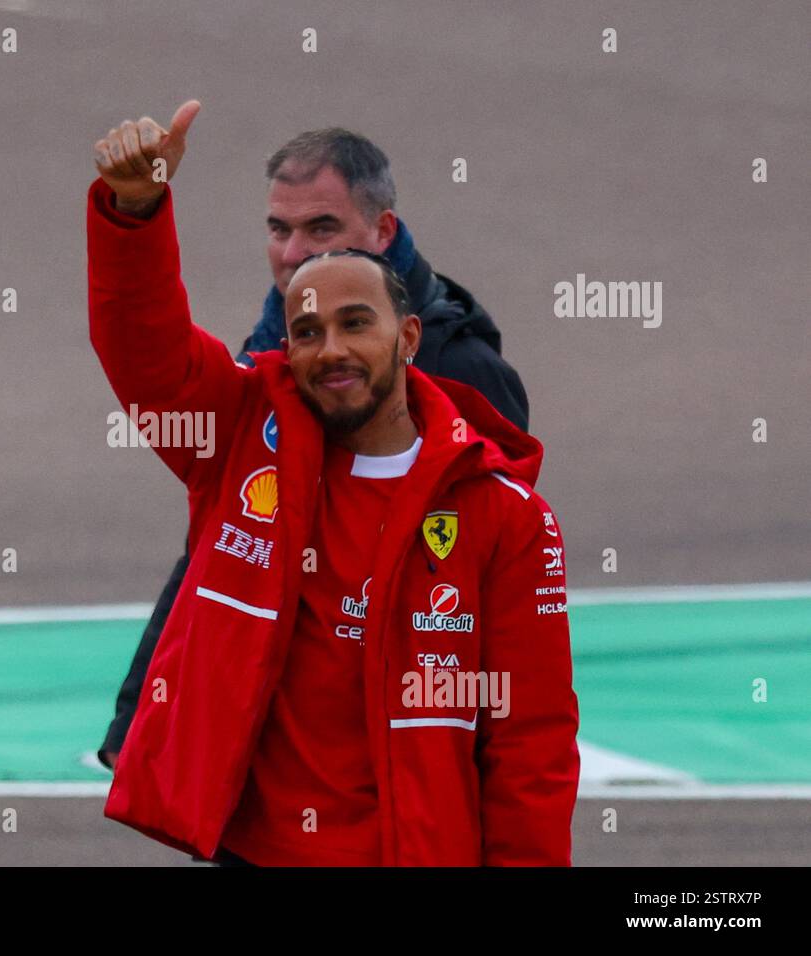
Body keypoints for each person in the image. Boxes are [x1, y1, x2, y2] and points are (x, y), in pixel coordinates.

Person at [87, 101, 579, 865]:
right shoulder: (244, 429)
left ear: (408, 337)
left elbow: (530, 741)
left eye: (356, 324)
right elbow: (143, 347)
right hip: (250, 850)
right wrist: (135, 209)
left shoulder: (503, 513)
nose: (333, 350)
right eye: (307, 332)